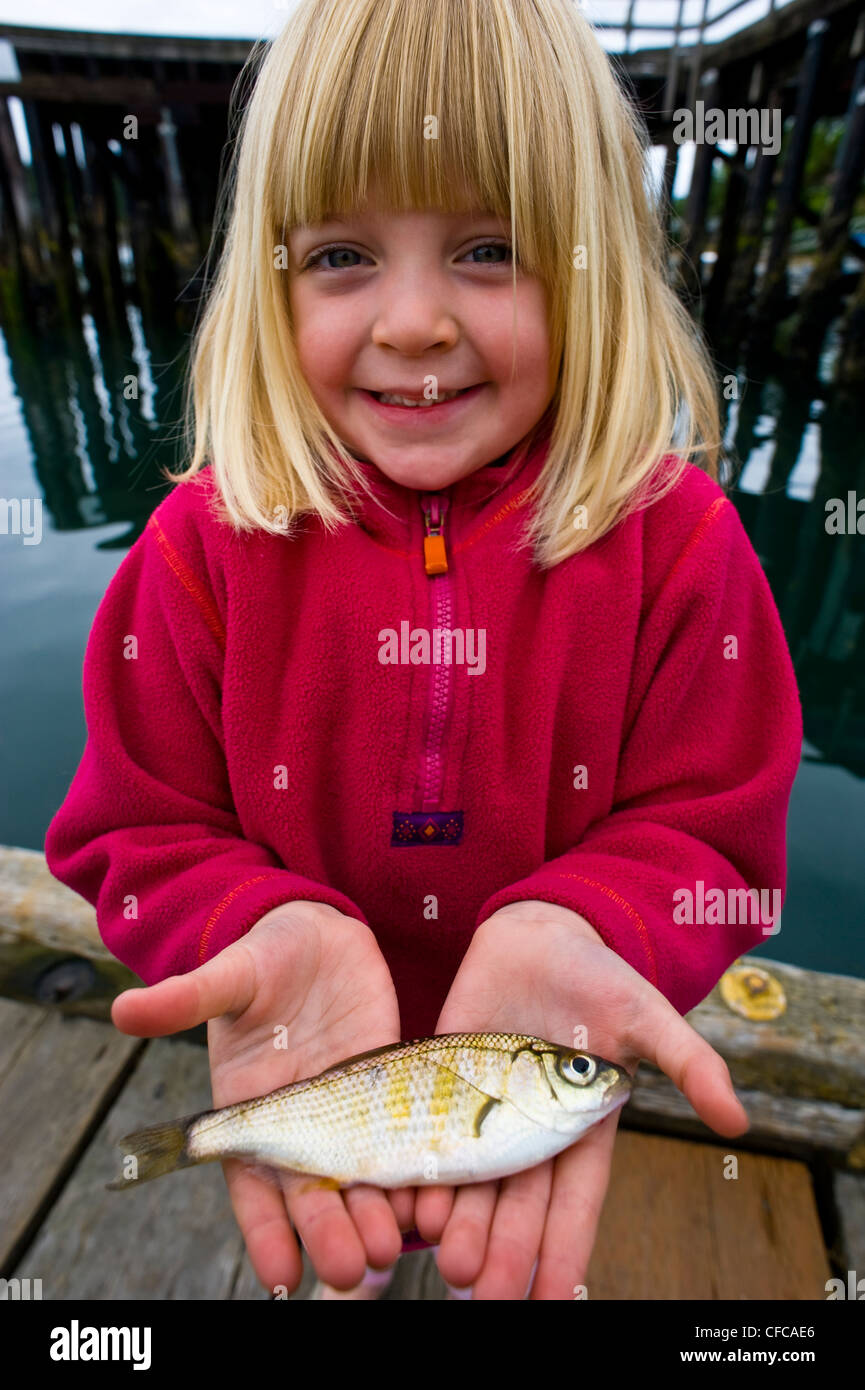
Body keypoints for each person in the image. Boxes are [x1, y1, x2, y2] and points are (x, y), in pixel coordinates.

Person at [44, 0, 803, 1301]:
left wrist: (589, 920)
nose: (409, 322)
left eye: (488, 249)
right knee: (320, 1272)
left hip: (542, 1110)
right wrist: (255, 918)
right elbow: (136, 831)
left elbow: (714, 836)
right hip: (293, 1073)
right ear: (265, 278)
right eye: (341, 253)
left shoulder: (681, 548)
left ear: (595, 265)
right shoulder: (194, 551)